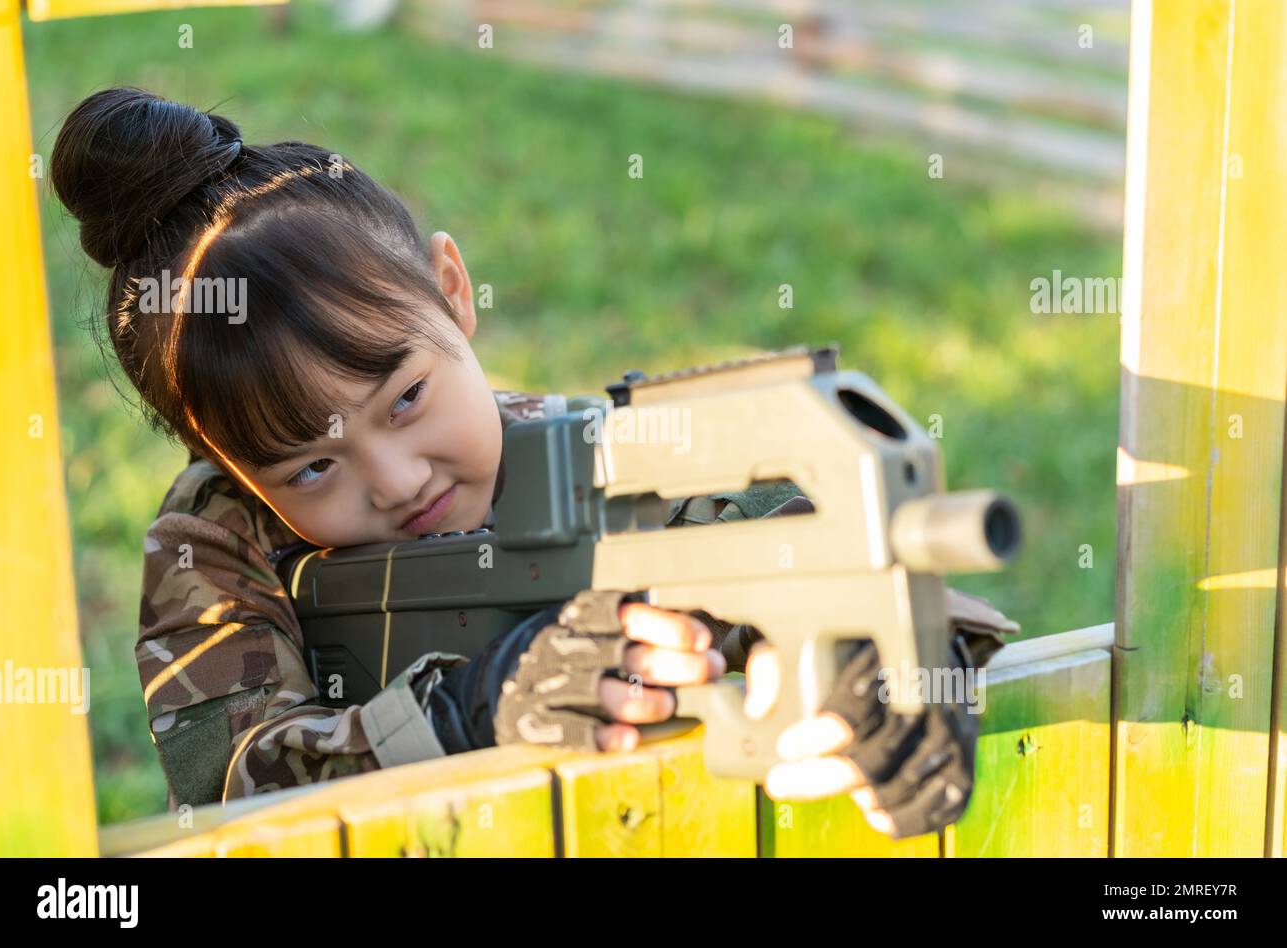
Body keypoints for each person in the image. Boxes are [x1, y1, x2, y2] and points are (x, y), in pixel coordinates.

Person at [52, 87, 1019, 841]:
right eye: (309, 469)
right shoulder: (217, 538)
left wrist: (882, 670)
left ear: (453, 289)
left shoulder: (583, 452)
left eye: (406, 400)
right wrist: (474, 707)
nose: (393, 480)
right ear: (218, 456)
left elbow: (803, 538)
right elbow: (231, 785)